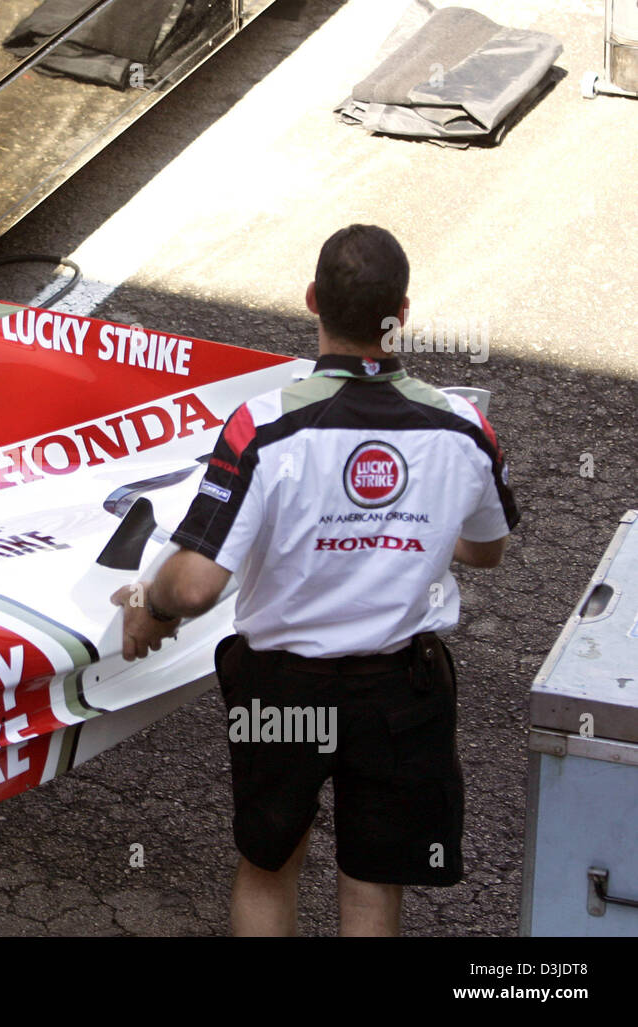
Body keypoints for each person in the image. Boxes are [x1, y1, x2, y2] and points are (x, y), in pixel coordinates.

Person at [112, 224, 518, 936]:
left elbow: (199, 585)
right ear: (403, 314)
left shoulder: (263, 426)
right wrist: (411, 523)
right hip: (402, 689)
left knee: (269, 869)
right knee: (371, 883)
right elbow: (486, 550)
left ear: (311, 301)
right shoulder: (463, 428)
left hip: (283, 689)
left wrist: (151, 601)